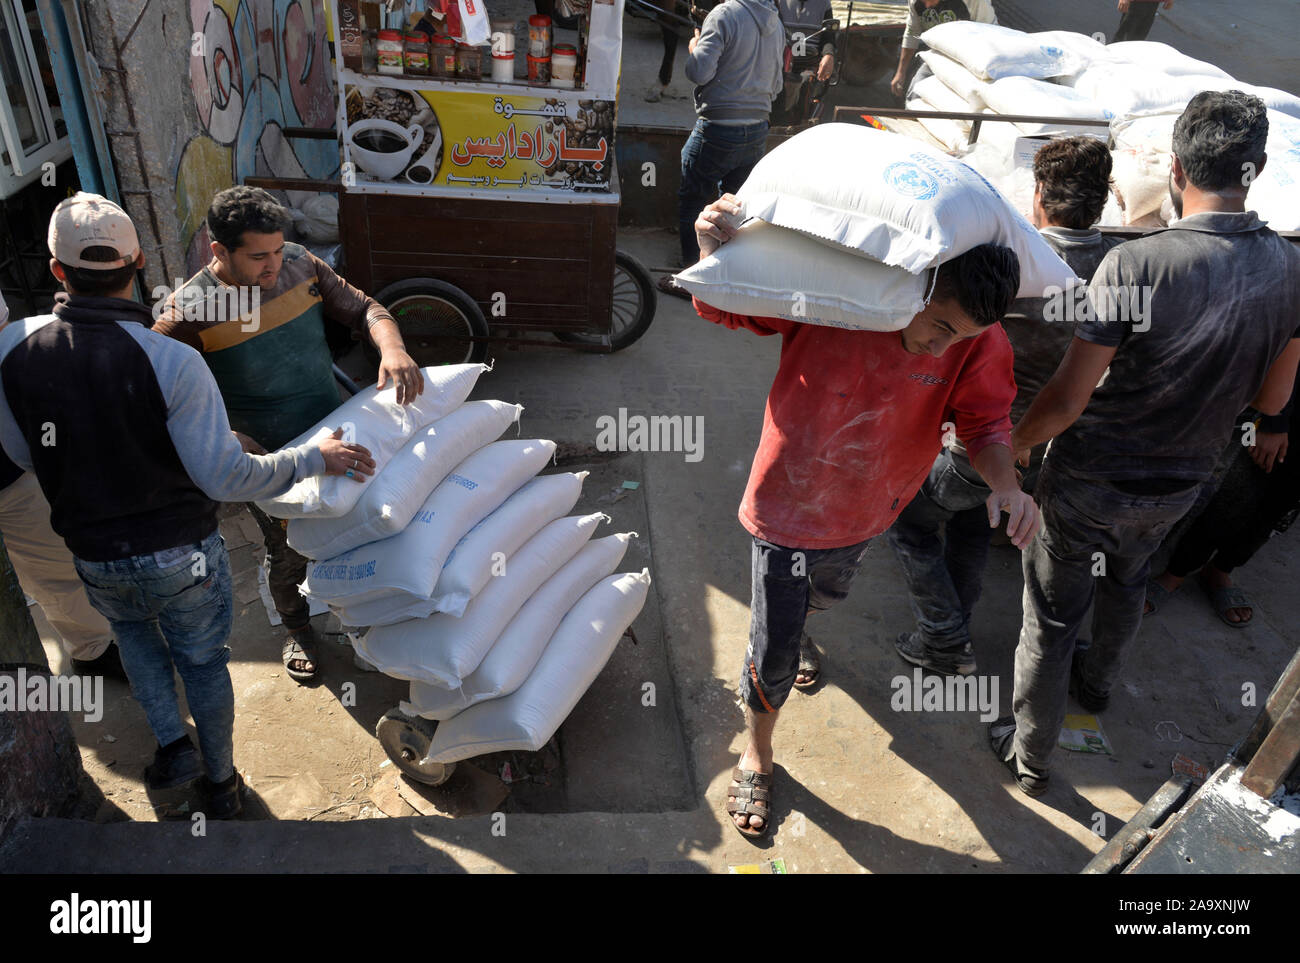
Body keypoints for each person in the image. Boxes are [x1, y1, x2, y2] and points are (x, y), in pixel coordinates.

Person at [0, 193, 374, 817]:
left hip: (92, 552)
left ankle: (174, 750)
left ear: (57, 270)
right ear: (139, 260)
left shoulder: (16, 350)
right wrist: (314, 458)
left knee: (138, 647)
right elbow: (226, 478)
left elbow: (19, 452)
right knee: (201, 663)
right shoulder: (169, 358)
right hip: (179, 553)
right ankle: (221, 783)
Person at [692, 194, 1037, 838]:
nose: (941, 349)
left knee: (821, 598)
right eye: (939, 327)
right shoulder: (838, 296)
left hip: (874, 503)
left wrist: (1007, 486)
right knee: (771, 645)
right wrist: (715, 254)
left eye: (958, 338)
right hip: (788, 499)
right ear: (916, 284)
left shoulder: (978, 341)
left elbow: (986, 422)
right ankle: (758, 750)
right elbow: (732, 306)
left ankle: (798, 628)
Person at [995, 91, 1300, 797]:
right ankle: (1097, 687)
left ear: (1175, 169)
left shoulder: (1137, 266)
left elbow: (1067, 399)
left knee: (1051, 613)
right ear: (1251, 171)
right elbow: (1274, 401)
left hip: (1091, 481)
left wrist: (1012, 444)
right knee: (1129, 580)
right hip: (1184, 482)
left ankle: (1032, 756)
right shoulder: (1289, 270)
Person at [154, 186, 424, 682]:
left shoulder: (302, 264)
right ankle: (297, 626)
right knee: (290, 548)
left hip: (336, 428)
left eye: (278, 250)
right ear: (219, 251)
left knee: (362, 523)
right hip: (272, 458)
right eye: (258, 256)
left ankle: (367, 614)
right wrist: (226, 435)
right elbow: (153, 391)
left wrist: (394, 348)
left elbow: (367, 309)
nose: (273, 265)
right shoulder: (189, 310)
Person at [886, 136, 1120, 677]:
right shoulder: (1115, 267)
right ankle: (955, 626)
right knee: (971, 525)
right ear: (1103, 199)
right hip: (1045, 440)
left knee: (907, 522)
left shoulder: (1014, 265)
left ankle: (945, 640)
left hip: (982, 434)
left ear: (1038, 194)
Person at [1145, 381, 1300, 627]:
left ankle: (1220, 570)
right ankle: (1175, 573)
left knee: (1278, 508)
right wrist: (1275, 420)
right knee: (1237, 491)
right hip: (1282, 413)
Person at [658, 0, 784, 300]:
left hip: (718, 127)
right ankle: (726, 273)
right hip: (756, 129)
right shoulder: (776, 22)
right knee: (733, 206)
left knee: (694, 199)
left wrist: (693, 48)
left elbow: (699, 72)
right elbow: (777, 85)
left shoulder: (724, 15)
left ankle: (691, 279)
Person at [890, 0, 997, 100]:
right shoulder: (915, 2)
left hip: (973, 57)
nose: (927, 6)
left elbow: (988, 33)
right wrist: (901, 72)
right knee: (917, 91)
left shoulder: (974, 2)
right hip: (939, 54)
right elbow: (912, 33)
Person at [773, 0, 836, 124]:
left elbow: (828, 36)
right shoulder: (777, 2)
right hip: (781, 61)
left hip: (809, 63)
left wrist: (828, 55)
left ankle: (801, 123)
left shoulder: (824, 4)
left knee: (807, 84)